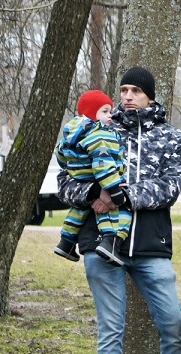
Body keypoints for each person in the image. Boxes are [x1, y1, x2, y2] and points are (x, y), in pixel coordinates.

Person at [55, 66, 181, 354]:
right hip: (100, 243)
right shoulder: (98, 128)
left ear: (150, 95)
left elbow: (171, 187)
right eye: (123, 89)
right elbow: (65, 180)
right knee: (110, 330)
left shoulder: (171, 137)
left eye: (135, 90)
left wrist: (124, 196)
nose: (126, 96)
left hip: (152, 246)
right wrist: (93, 194)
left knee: (173, 326)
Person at [53, 90, 129, 265]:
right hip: (101, 180)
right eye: (104, 111)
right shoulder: (100, 134)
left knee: (79, 210)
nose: (110, 116)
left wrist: (74, 166)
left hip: (81, 180)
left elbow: (60, 157)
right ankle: (110, 241)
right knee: (114, 209)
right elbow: (103, 164)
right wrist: (113, 189)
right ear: (91, 114)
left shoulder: (71, 134)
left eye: (110, 111)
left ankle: (66, 243)